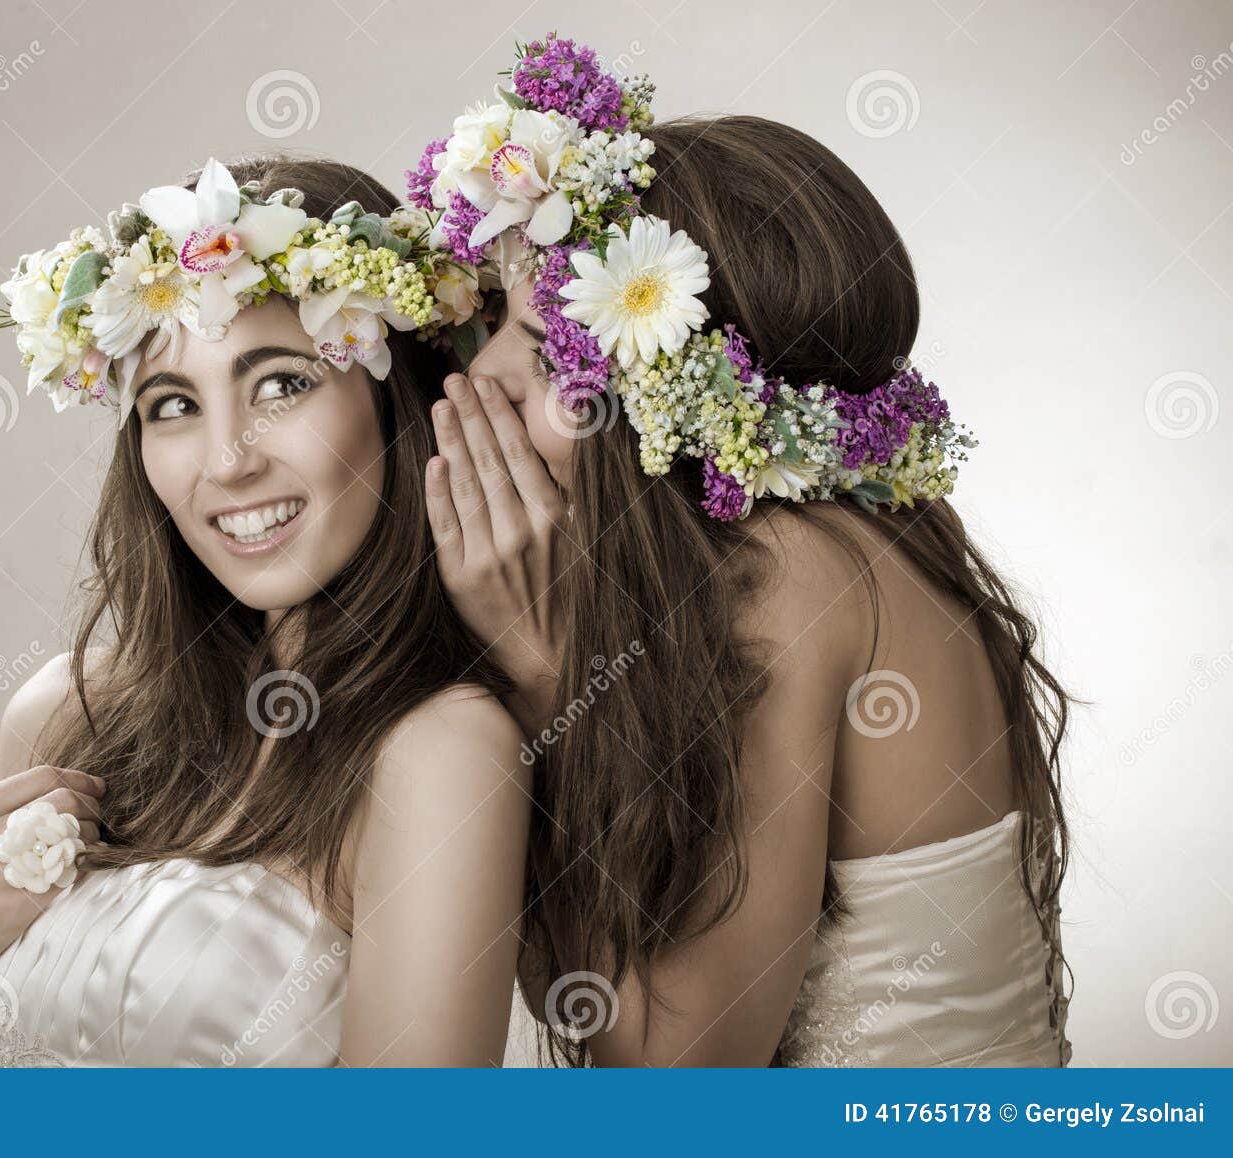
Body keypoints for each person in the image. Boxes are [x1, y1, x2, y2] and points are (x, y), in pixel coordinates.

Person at [409, 33, 1074, 1066]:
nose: (479, 378)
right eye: (491, 319)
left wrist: (538, 670)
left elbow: (669, 1080)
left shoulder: (793, 576)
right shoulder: (821, 541)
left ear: (682, 407)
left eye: (549, 357)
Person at [0, 156, 530, 1067]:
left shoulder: (439, 753)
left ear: (396, 401)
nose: (228, 462)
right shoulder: (69, 718)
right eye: (173, 404)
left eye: (283, 384)